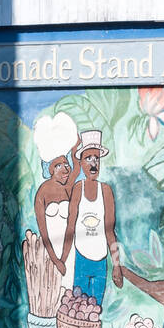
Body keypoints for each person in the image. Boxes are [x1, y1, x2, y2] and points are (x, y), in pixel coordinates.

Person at [62, 130, 121, 305]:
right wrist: (62, 260)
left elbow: (110, 231)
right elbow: (70, 228)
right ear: (81, 162)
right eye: (88, 158)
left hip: (101, 262)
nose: (94, 163)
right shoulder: (77, 190)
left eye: (97, 158)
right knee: (78, 308)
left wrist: (116, 265)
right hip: (81, 259)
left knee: (95, 311)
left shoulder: (106, 191)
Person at [33, 137, 82, 282]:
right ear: (51, 169)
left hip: (68, 249)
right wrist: (56, 260)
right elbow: (43, 231)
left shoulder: (68, 188)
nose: (66, 169)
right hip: (50, 249)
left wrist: (74, 150)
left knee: (69, 284)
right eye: (60, 165)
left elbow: (70, 227)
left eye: (67, 164)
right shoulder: (42, 192)